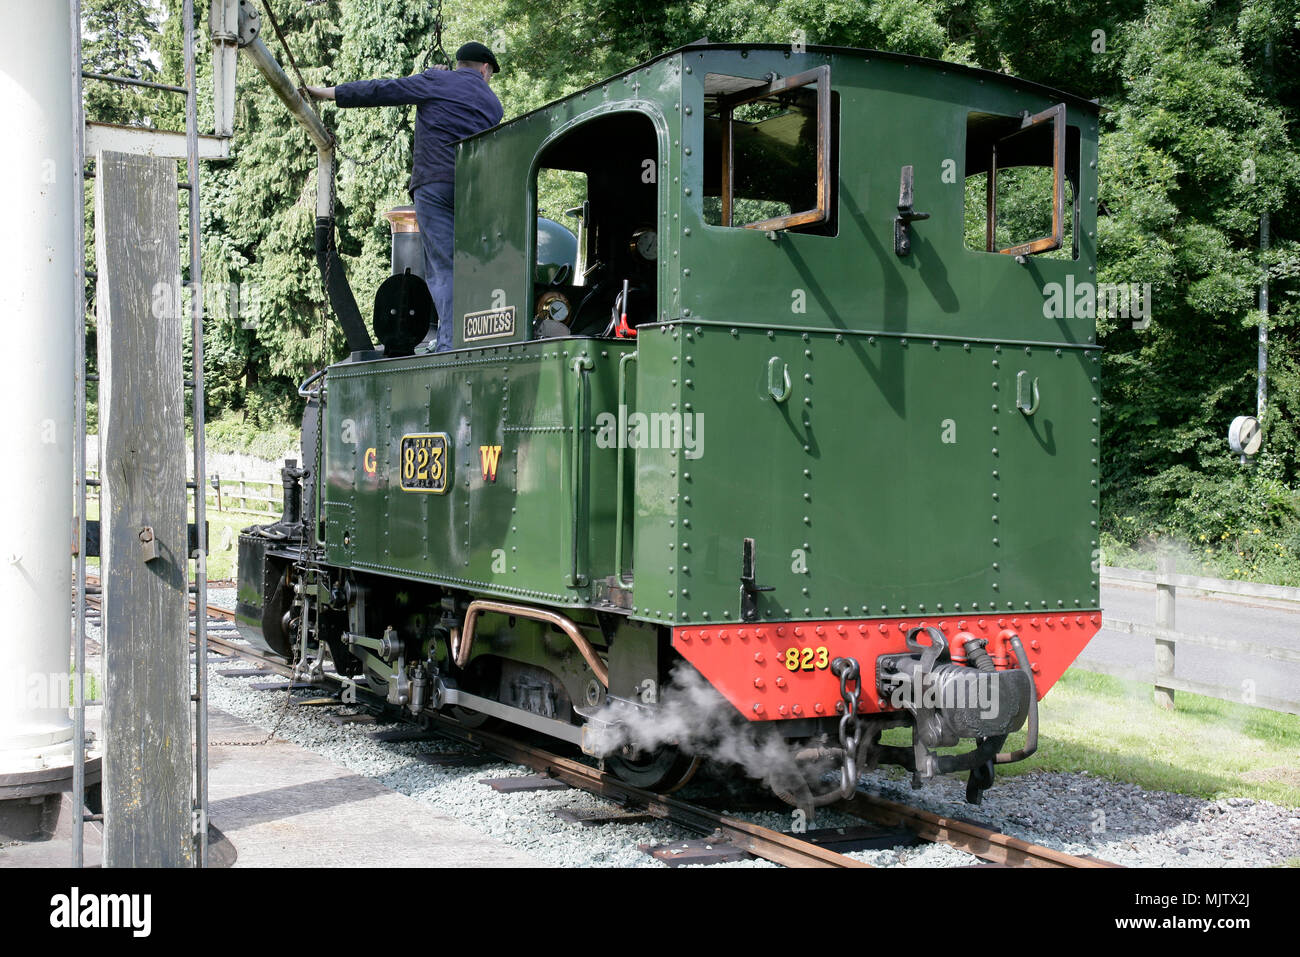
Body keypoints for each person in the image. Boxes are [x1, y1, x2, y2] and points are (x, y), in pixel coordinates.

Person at [305, 42, 503, 353]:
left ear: (461, 63)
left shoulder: (436, 80)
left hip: (434, 185)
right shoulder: (493, 104)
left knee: (443, 267)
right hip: (474, 191)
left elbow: (382, 90)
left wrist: (327, 93)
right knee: (470, 264)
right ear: (485, 69)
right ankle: (477, 335)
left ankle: (449, 344)